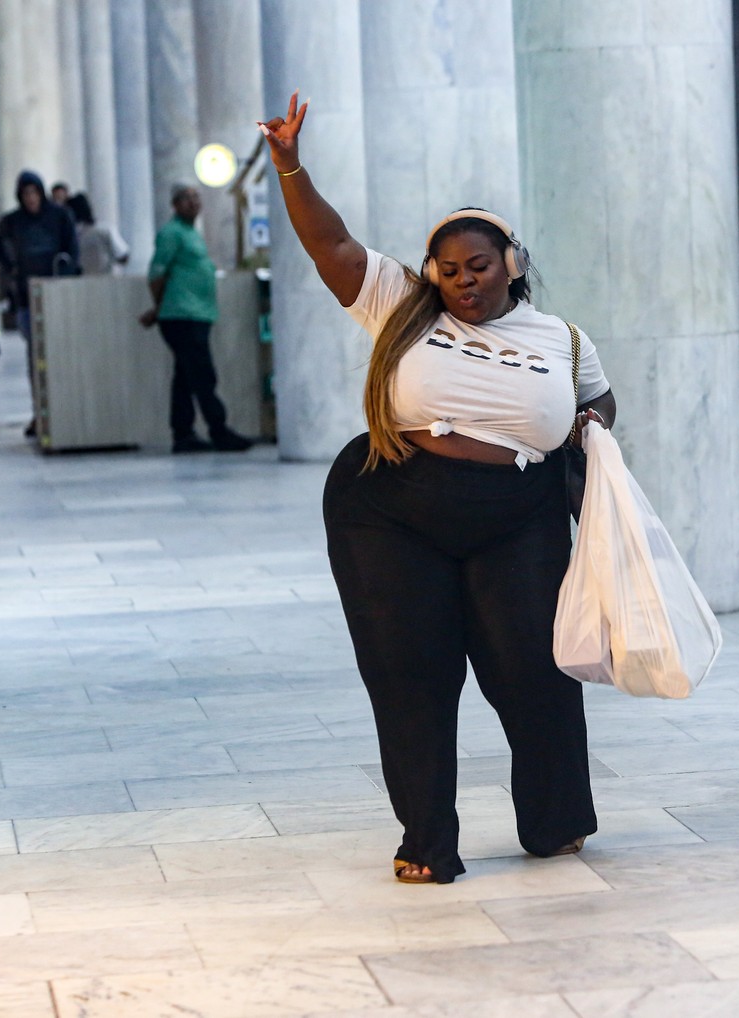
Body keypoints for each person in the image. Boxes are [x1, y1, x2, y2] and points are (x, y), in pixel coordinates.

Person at [259, 91, 617, 884]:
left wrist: (593, 426)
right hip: (393, 511)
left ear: (512, 264)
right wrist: (289, 165)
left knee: (533, 670)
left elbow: (598, 401)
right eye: (448, 269)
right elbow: (333, 246)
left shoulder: (560, 336)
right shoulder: (401, 306)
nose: (462, 281)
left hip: (519, 513)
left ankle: (556, 820)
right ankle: (427, 839)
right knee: (410, 674)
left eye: (478, 267)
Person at [138, 185, 252, 454]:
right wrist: (158, 307)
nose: (193, 202)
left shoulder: (191, 233)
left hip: (196, 314)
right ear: (175, 205)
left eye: (195, 197)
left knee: (185, 378)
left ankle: (183, 434)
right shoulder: (171, 233)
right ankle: (219, 430)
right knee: (203, 375)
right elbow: (156, 274)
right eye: (186, 198)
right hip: (182, 316)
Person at [0, 170, 80, 437]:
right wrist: (9, 265)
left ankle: (64, 411)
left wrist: (66, 271)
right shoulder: (14, 221)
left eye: (34, 193)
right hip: (28, 296)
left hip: (57, 293)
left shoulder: (59, 216)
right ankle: (39, 413)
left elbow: (72, 248)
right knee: (36, 357)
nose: (30, 199)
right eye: (25, 194)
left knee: (61, 354)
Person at [66, 193, 130, 275]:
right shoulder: (105, 230)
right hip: (107, 279)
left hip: (83, 281)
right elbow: (123, 256)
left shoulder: (74, 235)